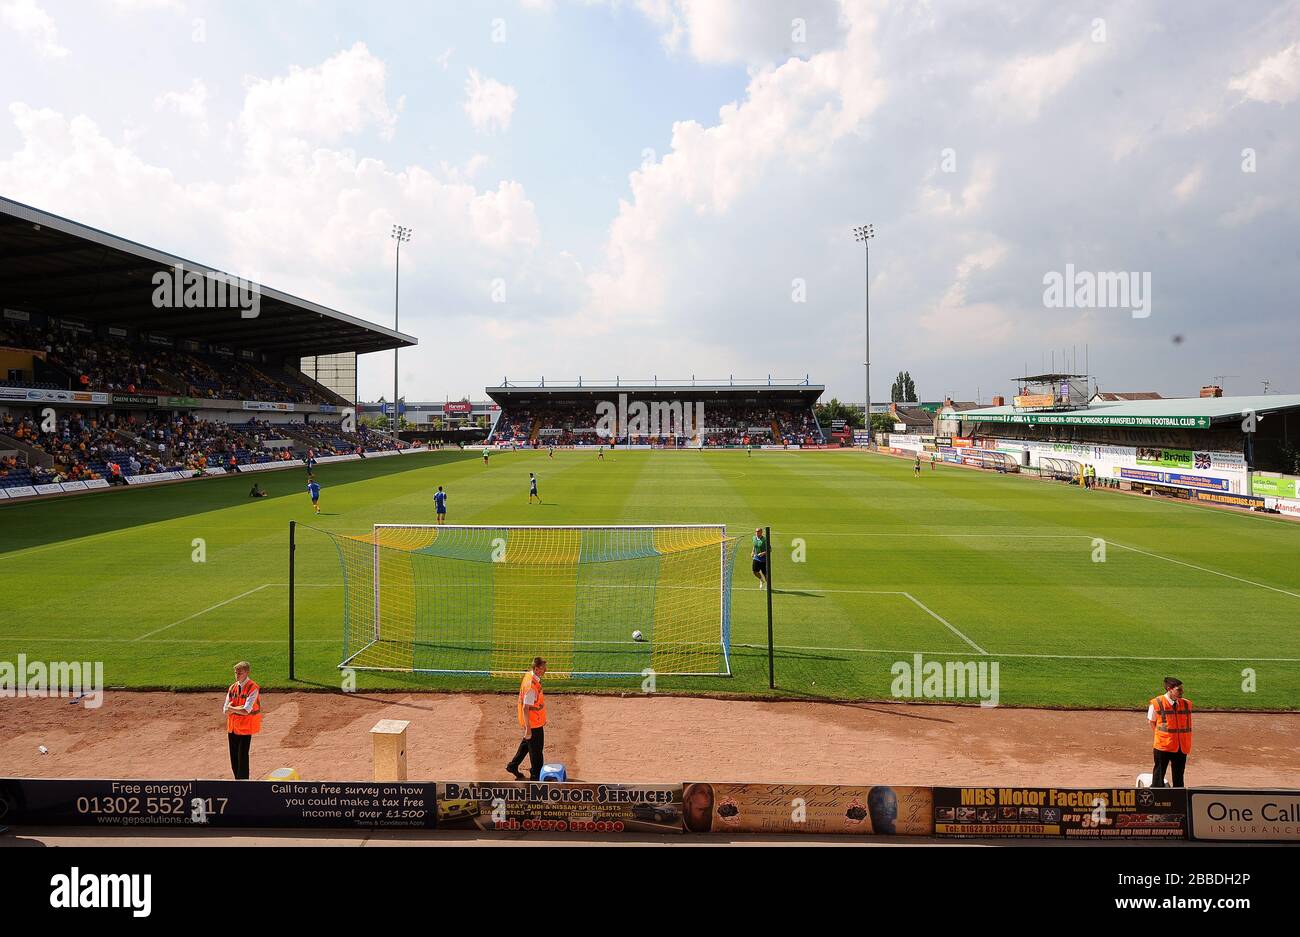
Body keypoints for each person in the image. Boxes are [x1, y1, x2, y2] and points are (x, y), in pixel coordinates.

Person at [506, 657, 548, 780]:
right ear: (535, 668)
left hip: (534, 721)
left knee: (527, 744)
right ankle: (535, 777)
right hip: (533, 723)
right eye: (542, 668)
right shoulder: (531, 687)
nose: (544, 670)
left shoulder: (529, 676)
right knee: (536, 753)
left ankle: (513, 766)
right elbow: (526, 708)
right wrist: (528, 729)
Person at [1148, 677, 1192, 787]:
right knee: (1159, 775)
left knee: (1179, 777)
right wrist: (1161, 737)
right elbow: (1151, 722)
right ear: (1169, 689)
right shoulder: (1156, 703)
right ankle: (1157, 797)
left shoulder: (1187, 704)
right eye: (1179, 689)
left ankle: (1178, 800)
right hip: (1163, 746)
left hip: (1181, 746)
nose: (1182, 692)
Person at [223, 661, 262, 780]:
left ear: (247, 672)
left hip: (245, 729)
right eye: (236, 672)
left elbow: (246, 710)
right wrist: (236, 709)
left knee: (242, 759)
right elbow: (225, 710)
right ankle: (237, 782)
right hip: (232, 729)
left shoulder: (253, 687)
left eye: (240, 672)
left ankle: (244, 785)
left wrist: (232, 708)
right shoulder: (232, 687)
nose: (237, 675)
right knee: (234, 759)